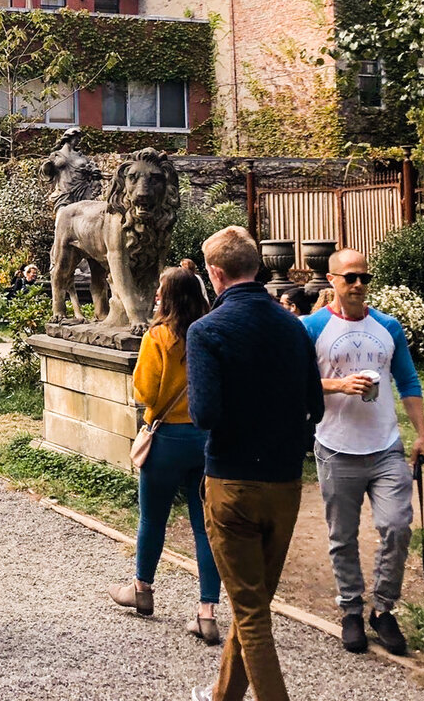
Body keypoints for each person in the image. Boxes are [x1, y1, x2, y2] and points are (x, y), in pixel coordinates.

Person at [184, 227, 323, 701]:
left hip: (233, 479)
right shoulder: (294, 326)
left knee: (250, 612)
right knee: (254, 602)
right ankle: (224, 695)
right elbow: (316, 406)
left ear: (215, 274)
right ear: (258, 267)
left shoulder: (207, 331)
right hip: (284, 483)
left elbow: (204, 414)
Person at [304, 249, 424, 656]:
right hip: (336, 446)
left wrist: (422, 434)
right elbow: (297, 381)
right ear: (332, 281)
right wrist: (338, 385)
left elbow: (408, 381)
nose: (358, 284)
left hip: (386, 446)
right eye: (350, 277)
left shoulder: (388, 327)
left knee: (396, 527)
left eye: (364, 277)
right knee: (343, 536)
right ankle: (352, 611)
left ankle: (384, 609)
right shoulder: (313, 326)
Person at [107, 266, 220, 644]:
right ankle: (207, 612)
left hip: (167, 438)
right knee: (204, 526)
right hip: (205, 439)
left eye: (160, 289)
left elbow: (146, 393)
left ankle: (142, 589)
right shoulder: (211, 333)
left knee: (152, 519)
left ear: (168, 296)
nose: (155, 293)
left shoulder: (158, 336)